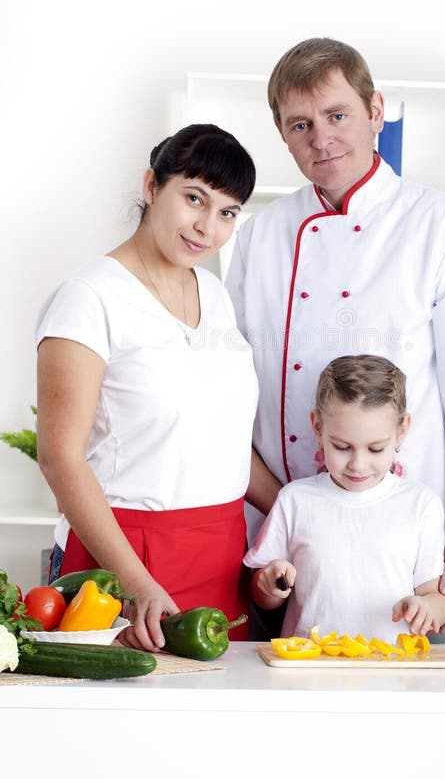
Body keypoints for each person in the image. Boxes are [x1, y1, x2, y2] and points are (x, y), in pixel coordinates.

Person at [225, 37, 445, 641]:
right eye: (299, 124)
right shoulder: (259, 236)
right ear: (282, 135)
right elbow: (231, 395)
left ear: (375, 110)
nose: (321, 139)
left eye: (337, 116)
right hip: (276, 553)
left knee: (412, 717)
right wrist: (297, 516)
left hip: (406, 566)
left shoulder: (444, 227)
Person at [35, 123, 274, 652]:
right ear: (151, 186)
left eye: (227, 212)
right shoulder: (88, 298)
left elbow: (224, 438)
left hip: (221, 550)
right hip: (124, 556)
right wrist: (134, 581)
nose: (207, 227)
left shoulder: (213, 293)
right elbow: (59, 457)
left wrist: (300, 514)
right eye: (194, 198)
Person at [243, 355, 445, 641]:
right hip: (308, 668)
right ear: (317, 427)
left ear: (402, 431)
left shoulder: (420, 505)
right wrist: (269, 585)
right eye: (341, 447)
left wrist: (426, 607)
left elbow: (437, 599)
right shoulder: (295, 501)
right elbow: (262, 597)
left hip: (390, 670)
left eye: (376, 449)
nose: (358, 464)